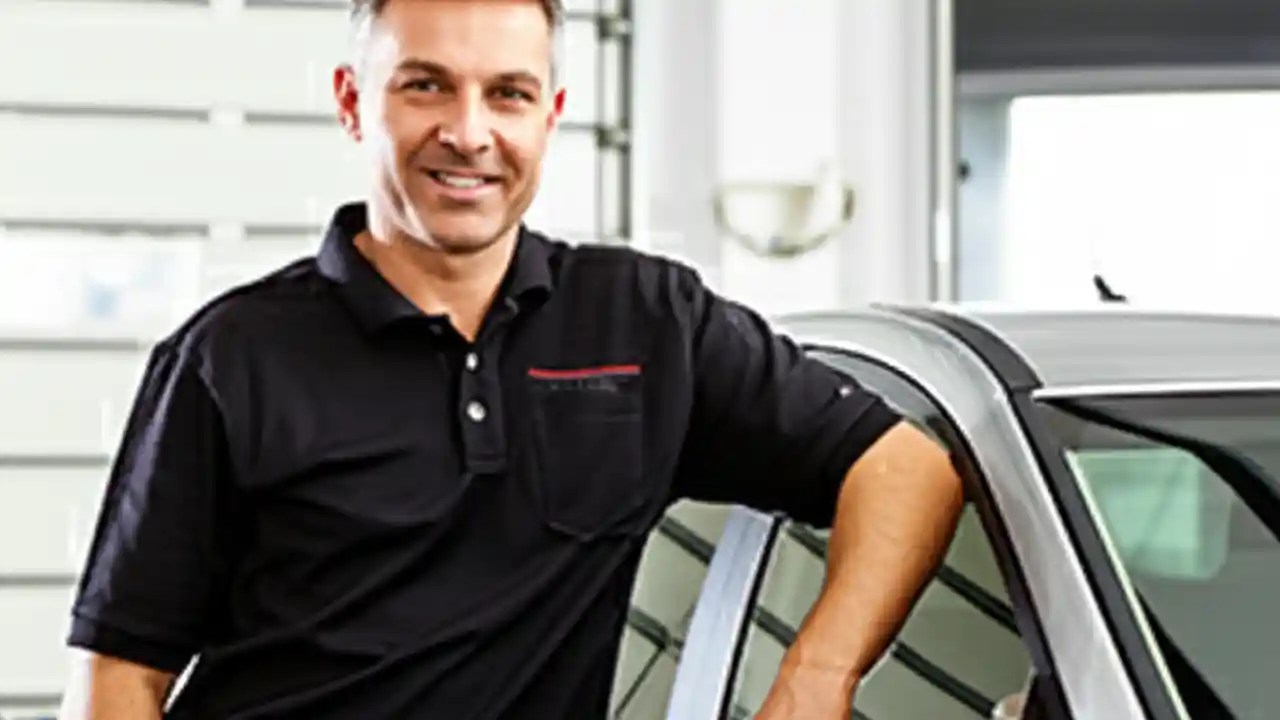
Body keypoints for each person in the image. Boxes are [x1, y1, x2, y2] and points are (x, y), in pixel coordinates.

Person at [58, 0, 965, 718]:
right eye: (425, 87)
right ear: (351, 101)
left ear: (551, 114)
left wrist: (816, 679)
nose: (468, 131)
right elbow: (119, 679)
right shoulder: (230, 358)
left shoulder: (649, 323)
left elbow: (906, 469)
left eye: (507, 94)